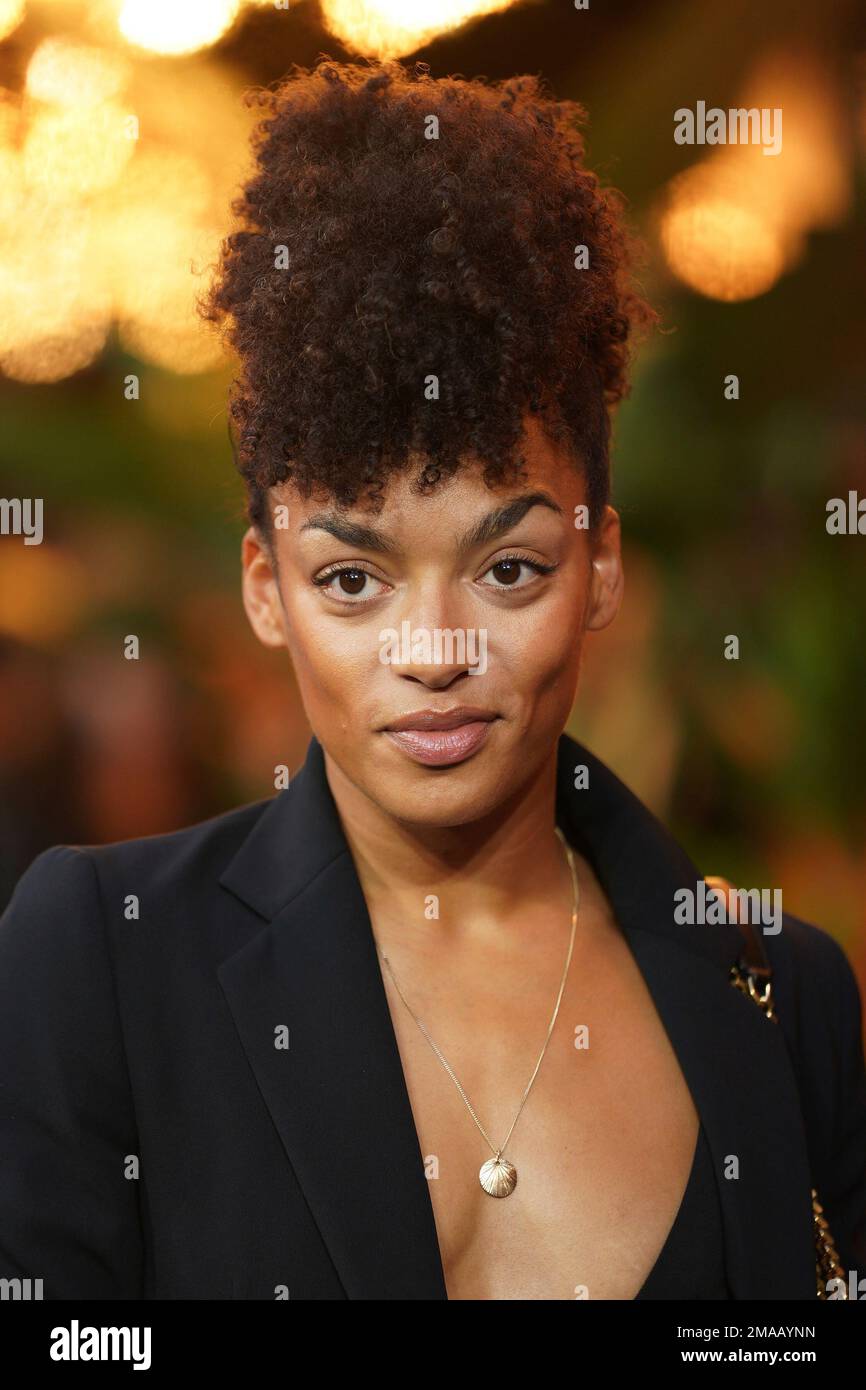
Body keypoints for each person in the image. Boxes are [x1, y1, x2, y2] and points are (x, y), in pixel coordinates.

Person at [1, 58, 864, 1302]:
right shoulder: (103, 962)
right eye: (353, 581)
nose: (435, 651)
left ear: (600, 567)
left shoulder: (779, 997)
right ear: (265, 587)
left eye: (507, 568)